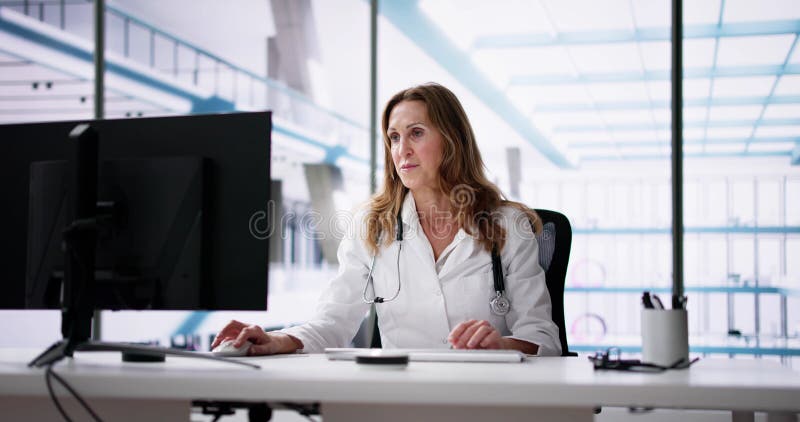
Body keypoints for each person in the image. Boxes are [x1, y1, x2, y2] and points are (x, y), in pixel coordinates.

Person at [211, 83, 561, 356]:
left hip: (485, 393)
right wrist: (276, 340)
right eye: (394, 137)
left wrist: (501, 346)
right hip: (401, 397)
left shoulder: (508, 225)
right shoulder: (371, 226)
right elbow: (333, 322)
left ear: (452, 140)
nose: (401, 150)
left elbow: (542, 337)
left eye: (416, 133)